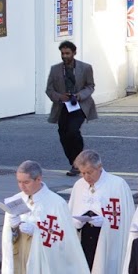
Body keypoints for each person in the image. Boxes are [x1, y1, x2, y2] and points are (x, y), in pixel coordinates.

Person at [44, 40, 97, 177]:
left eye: (67, 53)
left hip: (80, 105)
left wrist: (79, 95)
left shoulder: (86, 68)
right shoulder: (55, 69)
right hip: (63, 106)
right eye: (62, 53)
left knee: (73, 131)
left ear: (74, 53)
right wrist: (60, 97)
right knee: (63, 134)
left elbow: (90, 86)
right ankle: (74, 162)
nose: (65, 56)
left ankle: (78, 163)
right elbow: (49, 90)